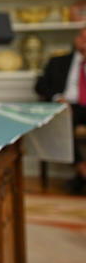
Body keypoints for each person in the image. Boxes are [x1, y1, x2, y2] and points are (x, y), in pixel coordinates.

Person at [35, 27, 86, 194]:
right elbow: (40, 85)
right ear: (76, 39)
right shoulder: (58, 62)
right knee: (65, 123)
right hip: (68, 106)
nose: (84, 41)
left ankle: (80, 179)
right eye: (82, 37)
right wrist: (58, 97)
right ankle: (81, 168)